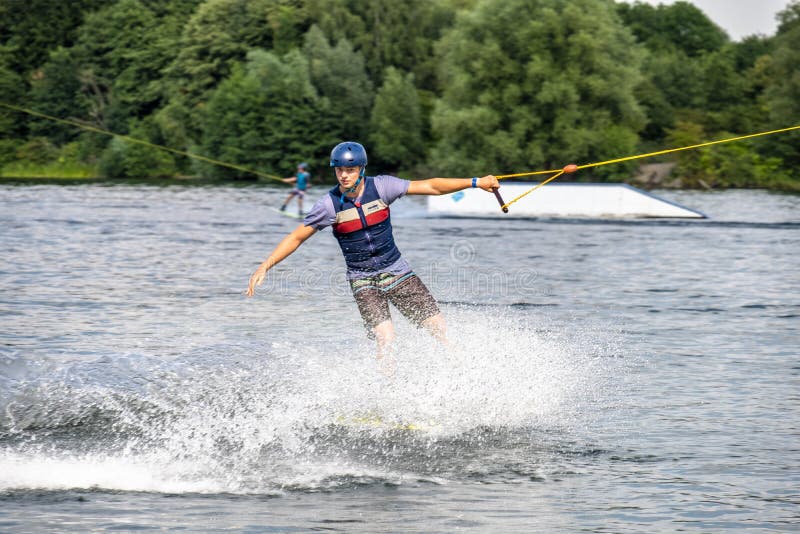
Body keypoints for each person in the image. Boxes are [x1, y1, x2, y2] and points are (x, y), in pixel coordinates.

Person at [247, 141, 500, 364]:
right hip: (362, 279)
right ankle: (386, 397)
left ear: (362, 169)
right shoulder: (328, 205)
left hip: (397, 271)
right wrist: (265, 266)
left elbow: (432, 186)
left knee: (437, 328)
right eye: (339, 170)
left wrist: (476, 182)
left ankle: (460, 369)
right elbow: (296, 237)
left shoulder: (382, 187)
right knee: (385, 338)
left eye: (350, 170)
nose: (344, 176)